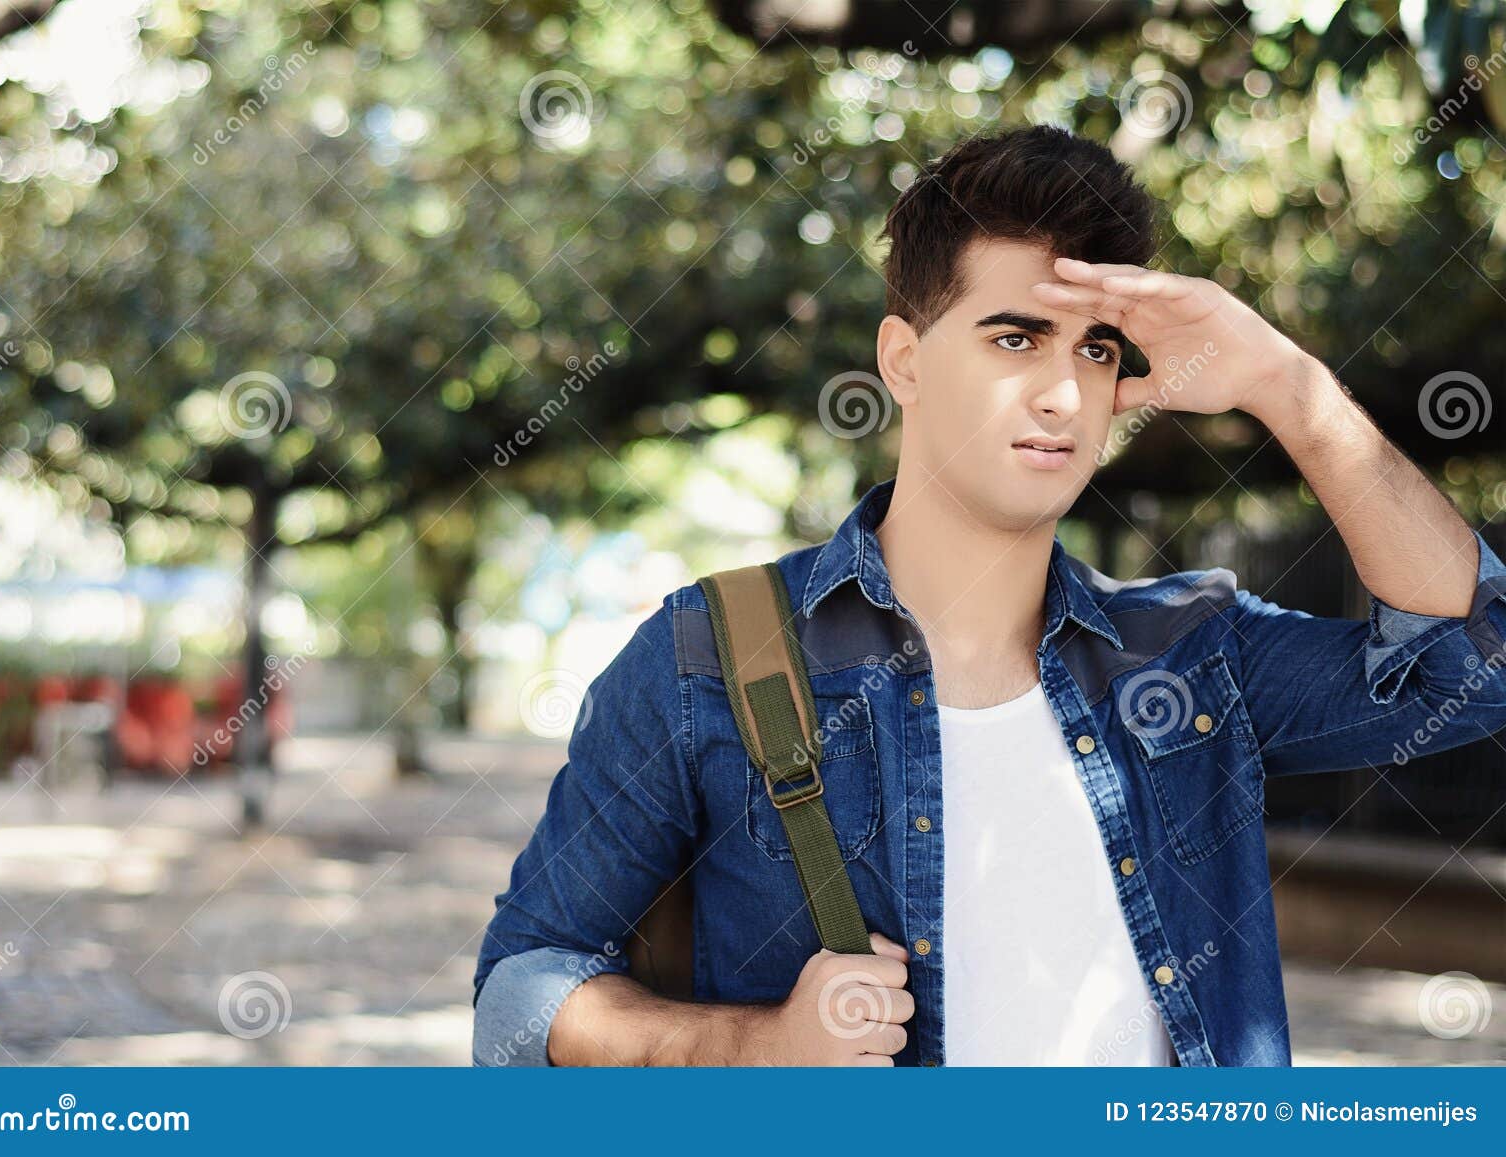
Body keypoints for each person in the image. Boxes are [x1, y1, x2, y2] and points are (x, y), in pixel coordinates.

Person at [471, 124, 1506, 1067]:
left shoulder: (1190, 655)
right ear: (904, 360)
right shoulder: (707, 654)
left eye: (1094, 348)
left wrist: (1288, 387)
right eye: (1015, 339)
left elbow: (1473, 663)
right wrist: (756, 1043)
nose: (1063, 391)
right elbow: (520, 991)